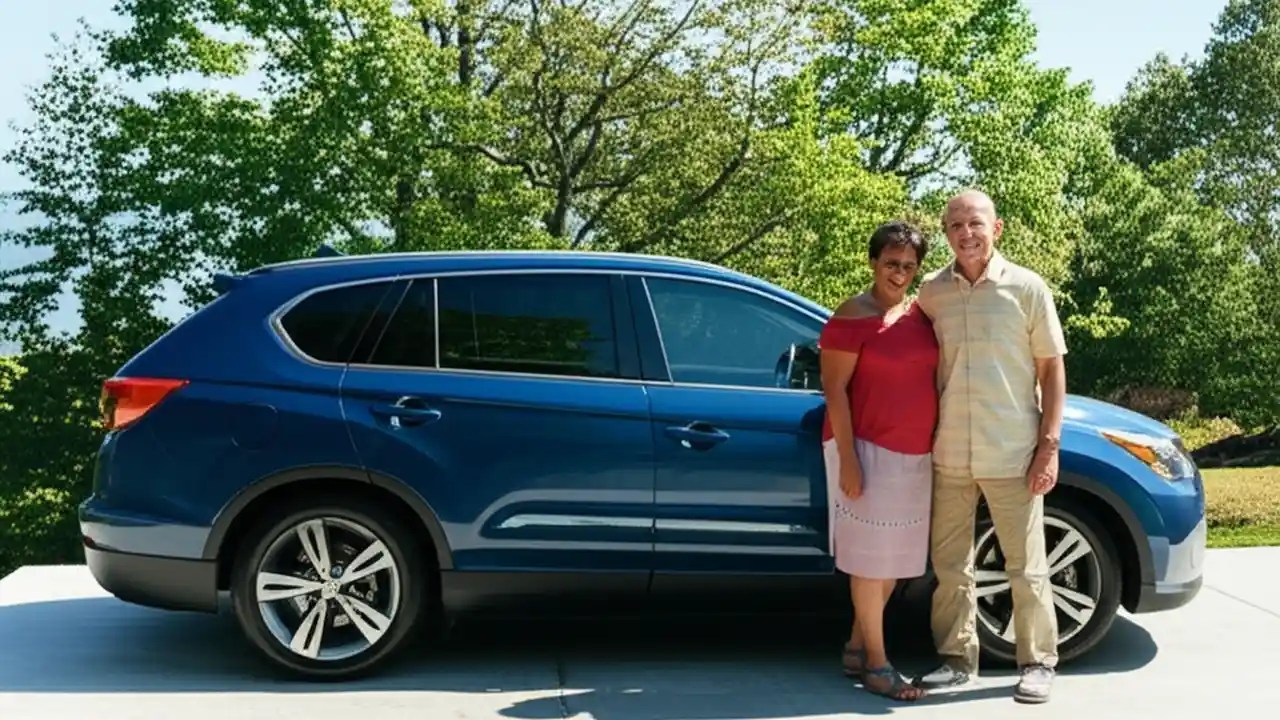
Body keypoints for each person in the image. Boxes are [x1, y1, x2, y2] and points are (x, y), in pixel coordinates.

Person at [911, 189, 1067, 705]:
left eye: (975, 223)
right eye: (955, 225)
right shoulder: (931, 294)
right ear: (946, 234)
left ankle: (1038, 662)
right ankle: (956, 661)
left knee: (1026, 565)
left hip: (1013, 451)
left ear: (995, 229)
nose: (965, 232)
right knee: (951, 566)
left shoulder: (1027, 288)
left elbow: (1052, 368)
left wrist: (1049, 446)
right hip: (950, 451)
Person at [819, 220, 939, 702]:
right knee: (869, 563)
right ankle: (877, 663)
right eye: (891, 263)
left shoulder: (920, 315)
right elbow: (833, 389)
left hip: (915, 453)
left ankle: (855, 643)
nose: (900, 273)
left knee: (893, 562)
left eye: (909, 266)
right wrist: (849, 459)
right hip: (866, 449)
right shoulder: (853, 315)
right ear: (873, 262)